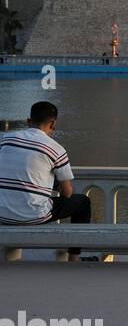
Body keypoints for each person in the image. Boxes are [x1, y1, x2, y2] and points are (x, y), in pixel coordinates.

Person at [0, 101, 94, 258]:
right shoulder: (56, 149)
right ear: (53, 123)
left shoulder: (6, 140)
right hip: (33, 216)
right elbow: (67, 193)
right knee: (83, 202)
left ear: (29, 121)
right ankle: (74, 257)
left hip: (2, 213)